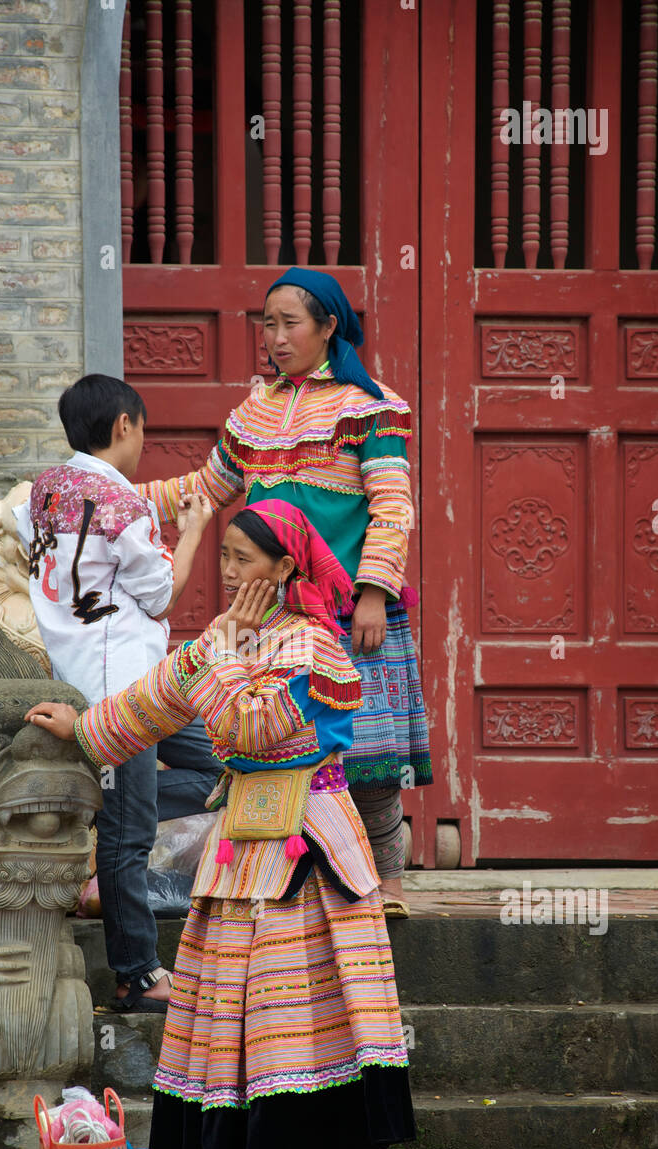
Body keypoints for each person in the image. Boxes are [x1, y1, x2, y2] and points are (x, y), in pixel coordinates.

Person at [26, 499, 416, 1149]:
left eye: (243, 558)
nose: (229, 570)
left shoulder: (317, 648)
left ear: (286, 566)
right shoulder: (234, 639)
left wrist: (224, 652)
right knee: (234, 1017)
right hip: (242, 850)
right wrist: (82, 726)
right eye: (226, 555)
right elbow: (159, 697)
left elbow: (250, 726)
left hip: (304, 856)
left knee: (292, 1020)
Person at [135, 268, 432, 917]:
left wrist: (376, 591)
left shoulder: (372, 408)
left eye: (288, 322)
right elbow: (203, 491)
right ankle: (302, 876)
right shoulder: (254, 414)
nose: (274, 336)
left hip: (353, 611)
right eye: (267, 323)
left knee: (368, 757)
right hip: (271, 615)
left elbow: (392, 506)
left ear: (328, 326)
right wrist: (116, 501)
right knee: (280, 744)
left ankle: (390, 882)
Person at [13, 373, 223, 1013]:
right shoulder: (122, 503)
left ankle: (115, 815)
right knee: (129, 841)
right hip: (126, 692)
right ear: (124, 426)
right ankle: (136, 974)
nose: (143, 441)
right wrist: (193, 530)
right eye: (143, 428)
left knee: (221, 763)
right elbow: (160, 594)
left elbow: (55, 549)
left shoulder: (44, 490)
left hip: (96, 673)